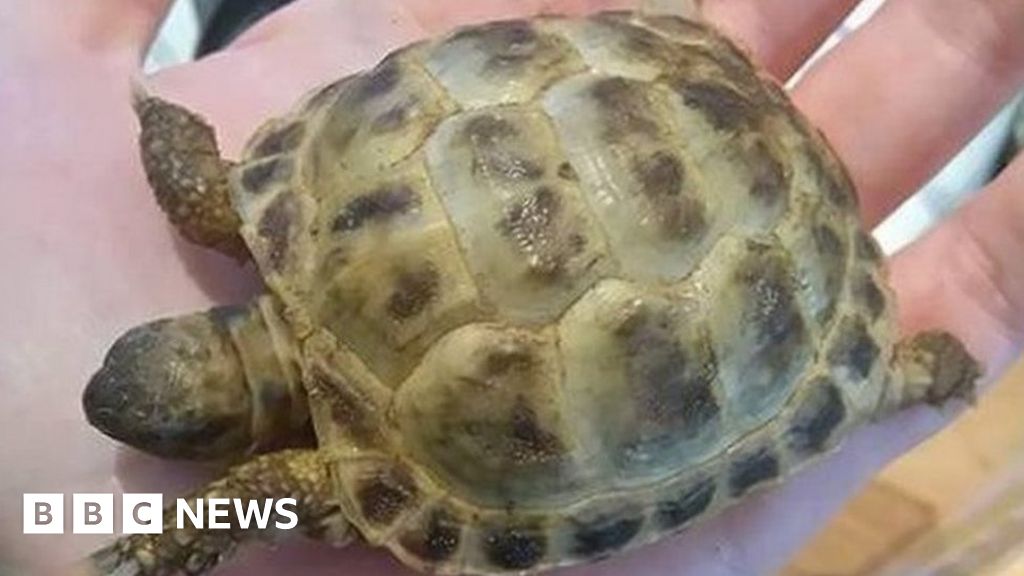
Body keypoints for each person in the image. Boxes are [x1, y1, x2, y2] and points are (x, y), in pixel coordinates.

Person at [0, 0, 1021, 574]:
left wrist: (158, 543)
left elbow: (244, 503)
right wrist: (147, 117)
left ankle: (878, 379)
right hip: (630, 97)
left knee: (823, 394)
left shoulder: (315, 473)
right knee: (818, 389)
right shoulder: (253, 209)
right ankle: (874, 378)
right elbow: (245, 498)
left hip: (662, 156)